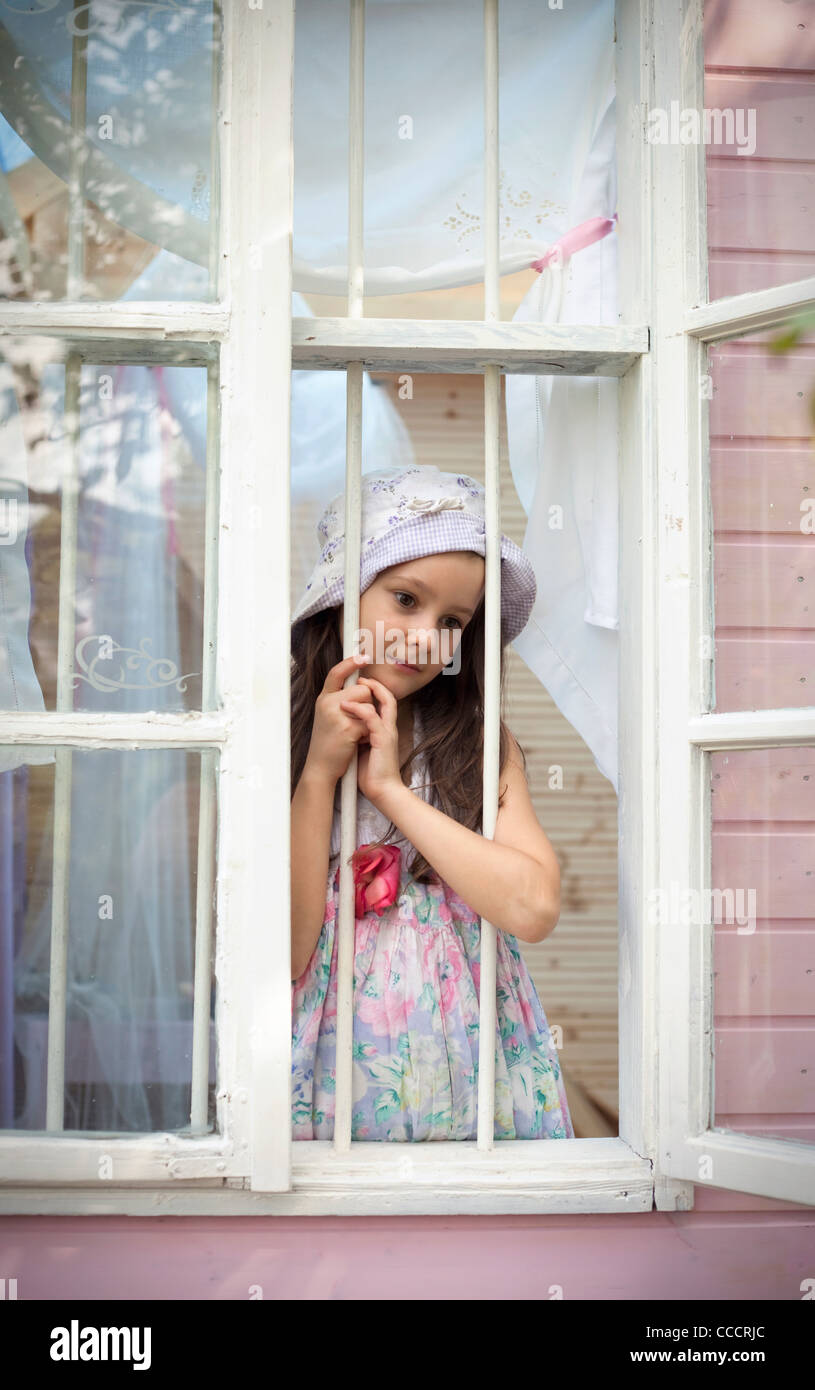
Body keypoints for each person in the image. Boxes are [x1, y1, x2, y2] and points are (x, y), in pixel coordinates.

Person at [290, 464, 573, 1141]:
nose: (424, 637)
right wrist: (316, 779)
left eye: (451, 619)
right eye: (404, 599)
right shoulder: (278, 732)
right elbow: (283, 957)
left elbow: (531, 909)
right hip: (336, 1064)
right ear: (342, 593)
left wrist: (389, 790)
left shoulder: (473, 741)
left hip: (471, 1064)